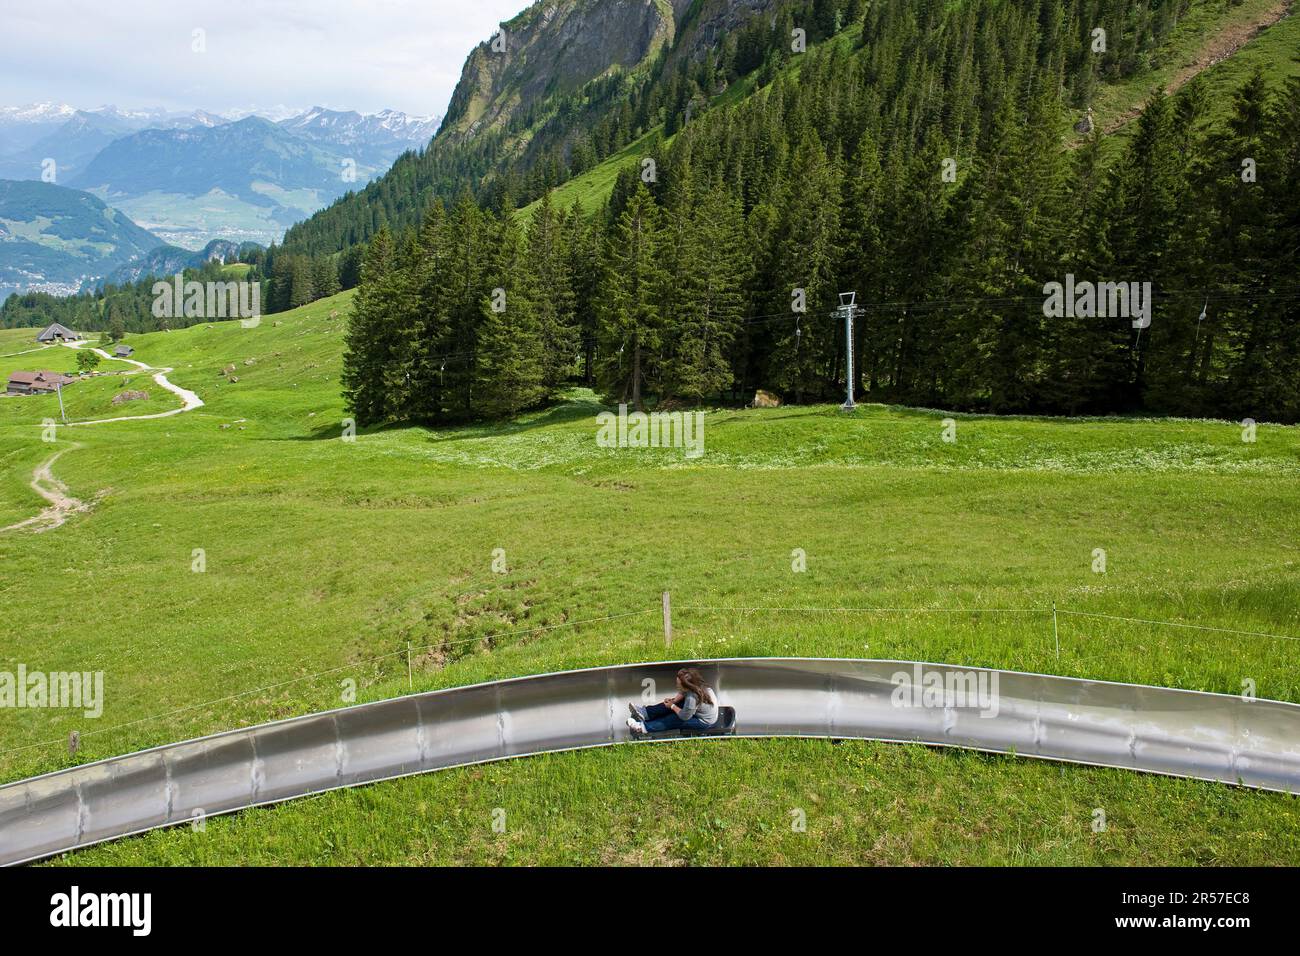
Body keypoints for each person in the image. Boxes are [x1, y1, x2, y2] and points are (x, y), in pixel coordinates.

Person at [626, 667, 719, 736]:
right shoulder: (696, 685)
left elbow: (684, 716)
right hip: (697, 710)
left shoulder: (692, 698)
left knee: (673, 719)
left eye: (678, 684)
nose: (676, 685)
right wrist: (674, 701)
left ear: (687, 686)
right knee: (669, 703)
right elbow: (683, 692)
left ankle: (641, 728)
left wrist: (672, 706)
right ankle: (645, 713)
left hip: (704, 721)